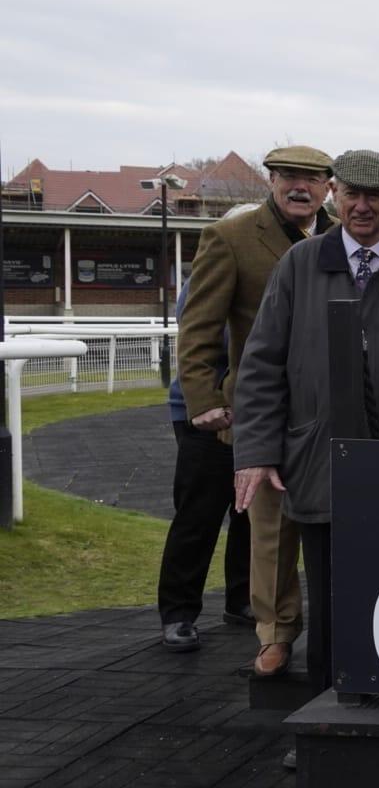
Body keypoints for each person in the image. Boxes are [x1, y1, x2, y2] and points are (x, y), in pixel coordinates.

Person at [232, 151, 379, 726]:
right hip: (320, 455)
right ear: (334, 193)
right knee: (331, 590)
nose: (361, 207)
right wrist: (256, 452)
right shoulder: (302, 263)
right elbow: (262, 363)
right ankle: (329, 713)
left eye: (375, 196)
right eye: (351, 194)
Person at [178, 145, 333, 680]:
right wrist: (205, 400)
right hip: (263, 406)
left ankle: (333, 635)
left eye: (312, 179)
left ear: (328, 187)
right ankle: (275, 635)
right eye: (289, 176)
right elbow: (198, 326)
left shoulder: (342, 238)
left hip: (328, 410)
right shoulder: (231, 237)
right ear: (271, 180)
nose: (300, 187)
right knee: (268, 533)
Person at [156, 269, 252, 651]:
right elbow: (202, 337)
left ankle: (242, 599)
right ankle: (178, 613)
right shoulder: (212, 274)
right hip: (204, 410)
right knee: (199, 514)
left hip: (253, 410)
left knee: (250, 509)